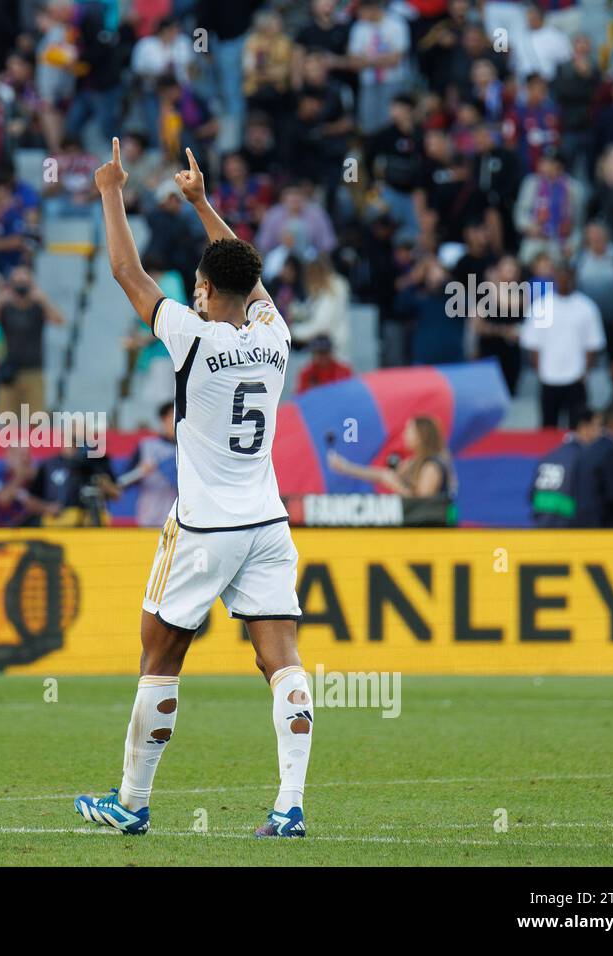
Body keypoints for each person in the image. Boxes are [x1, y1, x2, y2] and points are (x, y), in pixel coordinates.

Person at [73, 143, 308, 840]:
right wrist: (203, 203)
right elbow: (247, 274)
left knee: (160, 654)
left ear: (204, 290)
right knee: (281, 657)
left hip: (205, 527)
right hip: (268, 520)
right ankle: (289, 806)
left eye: (201, 286)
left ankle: (132, 803)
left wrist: (112, 191)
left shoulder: (191, 337)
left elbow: (125, 269)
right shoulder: (276, 337)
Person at [520, 263, 606, 428]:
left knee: (579, 428)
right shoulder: (541, 306)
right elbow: (533, 344)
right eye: (560, 276)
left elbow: (592, 345)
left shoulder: (586, 307)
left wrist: (584, 373)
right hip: (548, 378)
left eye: (567, 276)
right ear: (554, 278)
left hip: (576, 378)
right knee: (548, 427)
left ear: (574, 278)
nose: (564, 280)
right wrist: (541, 372)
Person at [0, 265, 64, 417]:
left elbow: (59, 321)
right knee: (7, 420)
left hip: (34, 370)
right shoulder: (5, 307)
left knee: (37, 420)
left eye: (25, 283)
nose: (21, 288)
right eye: (17, 283)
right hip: (10, 372)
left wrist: (44, 301)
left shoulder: (38, 306)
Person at [327, 415, 458, 498]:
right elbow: (381, 475)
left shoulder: (432, 465)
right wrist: (346, 467)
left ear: (421, 436)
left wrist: (396, 485)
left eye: (409, 431)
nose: (404, 435)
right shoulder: (413, 462)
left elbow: (423, 503)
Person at [530, 406, 600, 527]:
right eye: (598, 427)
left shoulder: (549, 455)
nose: (600, 433)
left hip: (541, 526)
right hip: (568, 529)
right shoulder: (585, 459)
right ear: (584, 428)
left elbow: (532, 495)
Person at [117, 401, 178, 527]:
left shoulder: (188, 449)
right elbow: (121, 482)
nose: (176, 421)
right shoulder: (146, 446)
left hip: (179, 523)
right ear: (163, 419)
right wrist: (139, 472)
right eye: (172, 416)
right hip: (150, 520)